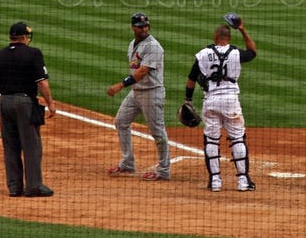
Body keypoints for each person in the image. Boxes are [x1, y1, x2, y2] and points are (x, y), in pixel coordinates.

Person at [184, 16, 257, 192]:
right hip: (231, 101)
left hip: (210, 101)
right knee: (237, 138)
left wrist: (188, 100)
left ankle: (215, 181)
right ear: (228, 38)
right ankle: (243, 182)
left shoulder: (203, 54)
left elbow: (191, 79)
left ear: (215, 37)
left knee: (211, 139)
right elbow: (252, 51)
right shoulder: (236, 53)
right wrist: (242, 29)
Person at [0, 21, 56, 197]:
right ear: (24, 37)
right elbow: (42, 82)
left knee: (10, 145)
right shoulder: (33, 53)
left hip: (4, 103)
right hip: (24, 103)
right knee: (31, 145)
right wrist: (51, 103)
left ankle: (14, 187)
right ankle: (33, 186)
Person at [106, 12, 170, 181]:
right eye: (140, 26)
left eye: (146, 26)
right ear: (133, 27)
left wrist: (120, 85)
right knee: (121, 122)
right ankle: (128, 162)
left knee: (157, 132)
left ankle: (163, 170)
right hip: (136, 92)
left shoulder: (154, 47)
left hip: (152, 93)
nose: (144, 29)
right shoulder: (132, 44)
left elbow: (142, 71)